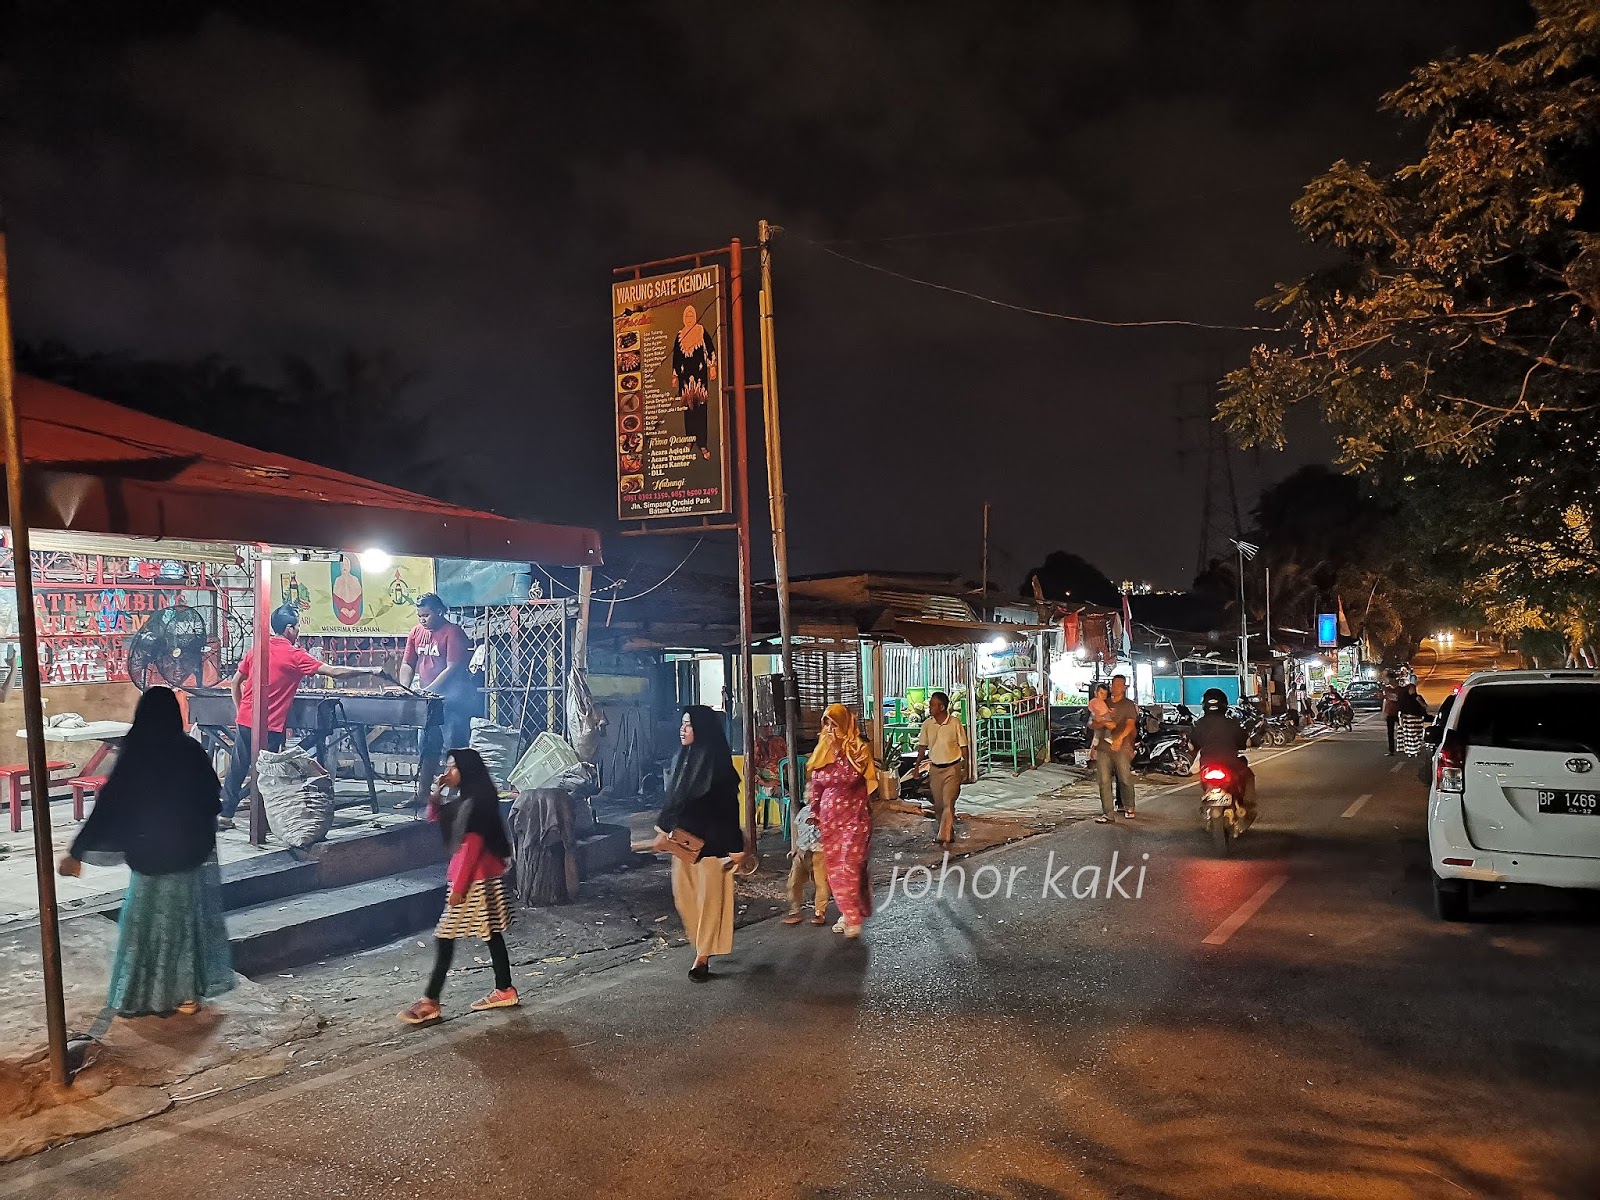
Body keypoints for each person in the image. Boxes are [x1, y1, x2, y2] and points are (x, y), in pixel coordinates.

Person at [59, 687, 233, 1017]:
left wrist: (78, 850)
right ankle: (185, 995)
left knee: (142, 929)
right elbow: (213, 801)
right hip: (187, 857)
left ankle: (135, 993)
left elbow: (109, 807)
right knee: (180, 926)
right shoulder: (190, 751)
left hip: (148, 859)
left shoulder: (133, 754)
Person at [221, 604, 383, 829]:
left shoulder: (259, 648)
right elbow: (334, 673)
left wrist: (241, 710)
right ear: (289, 629)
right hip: (270, 725)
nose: (299, 632)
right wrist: (369, 670)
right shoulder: (294, 655)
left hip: (246, 719)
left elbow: (236, 681)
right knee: (269, 772)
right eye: (297, 627)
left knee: (238, 768)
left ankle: (226, 814)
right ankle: (266, 821)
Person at [399, 748, 518, 1025]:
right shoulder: (470, 800)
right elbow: (434, 817)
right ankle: (505, 989)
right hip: (481, 878)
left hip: (473, 880)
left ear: (466, 771)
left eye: (452, 767)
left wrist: (459, 889)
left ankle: (430, 1001)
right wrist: (437, 790)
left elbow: (471, 847)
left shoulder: (474, 805)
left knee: (444, 937)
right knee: (491, 934)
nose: (447, 771)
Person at [653, 706, 744, 981]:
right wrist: (663, 829)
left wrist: (736, 847)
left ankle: (702, 957)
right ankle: (702, 945)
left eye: (688, 725)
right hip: (683, 844)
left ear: (702, 729)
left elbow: (730, 809)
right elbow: (673, 801)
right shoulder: (683, 759)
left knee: (711, 902)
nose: (683, 729)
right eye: (682, 724)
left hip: (714, 846)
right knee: (685, 901)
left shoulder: (720, 768)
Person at [400, 594, 477, 809]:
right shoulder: (416, 633)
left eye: (426, 615)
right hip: (429, 701)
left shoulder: (453, 632)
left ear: (439, 612)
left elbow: (452, 668)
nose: (422, 620)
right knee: (426, 747)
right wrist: (405, 688)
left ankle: (454, 797)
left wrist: (428, 690)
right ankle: (422, 794)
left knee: (454, 748)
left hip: (454, 700)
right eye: (419, 616)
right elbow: (407, 663)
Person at [807, 703, 878, 939]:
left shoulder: (858, 750)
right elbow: (817, 784)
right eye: (826, 723)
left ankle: (852, 916)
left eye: (834, 724)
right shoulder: (822, 750)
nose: (829, 729)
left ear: (845, 725)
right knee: (836, 869)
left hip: (855, 820)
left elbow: (852, 776)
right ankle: (848, 913)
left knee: (850, 865)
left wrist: (839, 750)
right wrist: (814, 812)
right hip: (830, 822)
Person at [1188, 687, 1258, 830]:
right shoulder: (1232, 723)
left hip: (1207, 765)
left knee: (1204, 780)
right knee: (1249, 775)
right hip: (1231, 762)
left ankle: (1208, 802)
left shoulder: (1199, 724)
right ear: (1224, 705)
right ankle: (1248, 805)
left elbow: (1192, 745)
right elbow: (1244, 741)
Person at [916, 691, 968, 845]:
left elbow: (964, 747)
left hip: (952, 768)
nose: (930, 707)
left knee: (948, 801)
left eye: (933, 704)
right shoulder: (927, 725)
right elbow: (922, 747)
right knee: (938, 806)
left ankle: (943, 837)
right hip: (935, 769)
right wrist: (917, 766)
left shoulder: (955, 723)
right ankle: (947, 829)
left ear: (942, 707)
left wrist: (966, 767)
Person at [671, 303, 717, 460]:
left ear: (695, 316)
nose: (689, 318)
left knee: (701, 410)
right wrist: (675, 376)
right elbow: (676, 357)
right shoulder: (679, 335)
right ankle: (689, 440)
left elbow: (710, 349)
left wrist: (712, 367)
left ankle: (702, 444)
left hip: (699, 379)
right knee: (688, 410)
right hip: (685, 380)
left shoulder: (701, 331)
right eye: (687, 316)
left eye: (692, 315)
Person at [1094, 674, 1140, 824]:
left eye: (1119, 686)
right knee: (1104, 780)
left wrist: (1120, 739)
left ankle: (1129, 806)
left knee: (1125, 778)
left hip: (1122, 747)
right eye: (1114, 685)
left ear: (1125, 688)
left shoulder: (1128, 705)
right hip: (1103, 747)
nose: (1115, 688)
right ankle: (1108, 813)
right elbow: (1093, 724)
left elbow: (1130, 724)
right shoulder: (1103, 703)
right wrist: (1102, 725)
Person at [783, 798, 830, 926]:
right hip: (802, 850)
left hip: (820, 851)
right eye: (807, 791)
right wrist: (795, 847)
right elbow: (797, 829)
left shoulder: (827, 811)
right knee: (793, 881)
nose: (809, 794)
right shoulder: (803, 811)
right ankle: (795, 910)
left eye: (813, 791)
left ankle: (820, 912)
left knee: (821, 883)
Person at [1396, 683, 1430, 756]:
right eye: (1411, 689)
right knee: (1409, 736)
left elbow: (1425, 706)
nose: (1413, 691)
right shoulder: (1404, 698)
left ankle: (1416, 749)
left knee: (1417, 735)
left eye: (1414, 689)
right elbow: (1401, 709)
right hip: (1408, 719)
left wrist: (1419, 700)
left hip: (1417, 719)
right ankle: (1410, 751)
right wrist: (1401, 718)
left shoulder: (1417, 697)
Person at [1086, 683, 1112, 763]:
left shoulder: (1105, 702)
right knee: (1097, 739)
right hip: (1100, 722)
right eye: (1101, 693)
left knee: (1097, 739)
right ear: (1095, 693)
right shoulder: (1094, 702)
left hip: (1104, 721)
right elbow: (1095, 716)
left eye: (1105, 694)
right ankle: (1092, 756)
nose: (1103, 696)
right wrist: (1102, 719)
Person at [1382, 673, 1402, 755]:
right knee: (1390, 732)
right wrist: (1384, 711)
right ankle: (1391, 750)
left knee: (1403, 729)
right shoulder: (1386, 689)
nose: (1388, 681)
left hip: (1399, 712)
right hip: (1390, 713)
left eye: (1389, 679)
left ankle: (1407, 747)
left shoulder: (1400, 689)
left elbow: (1400, 699)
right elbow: (1385, 701)